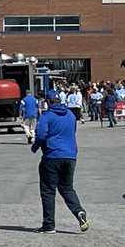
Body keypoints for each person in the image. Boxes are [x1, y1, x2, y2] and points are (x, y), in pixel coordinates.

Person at [31, 90, 89, 234]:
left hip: (52, 156)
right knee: (67, 188)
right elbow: (73, 131)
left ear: (48, 102)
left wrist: (35, 147)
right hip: (70, 156)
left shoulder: (47, 116)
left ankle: (49, 225)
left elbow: (41, 135)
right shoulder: (70, 115)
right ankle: (79, 212)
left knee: (48, 191)